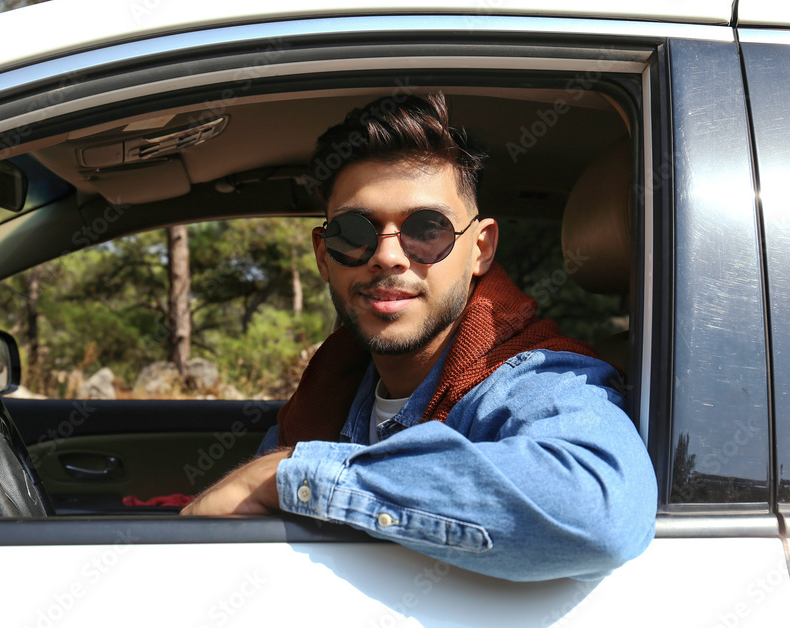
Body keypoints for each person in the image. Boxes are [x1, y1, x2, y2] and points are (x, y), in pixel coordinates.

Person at [180, 92, 657, 582]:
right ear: (324, 255)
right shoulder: (333, 384)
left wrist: (288, 476)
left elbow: (601, 510)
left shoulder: (536, 380)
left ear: (480, 249)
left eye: (426, 229)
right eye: (353, 231)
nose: (387, 257)